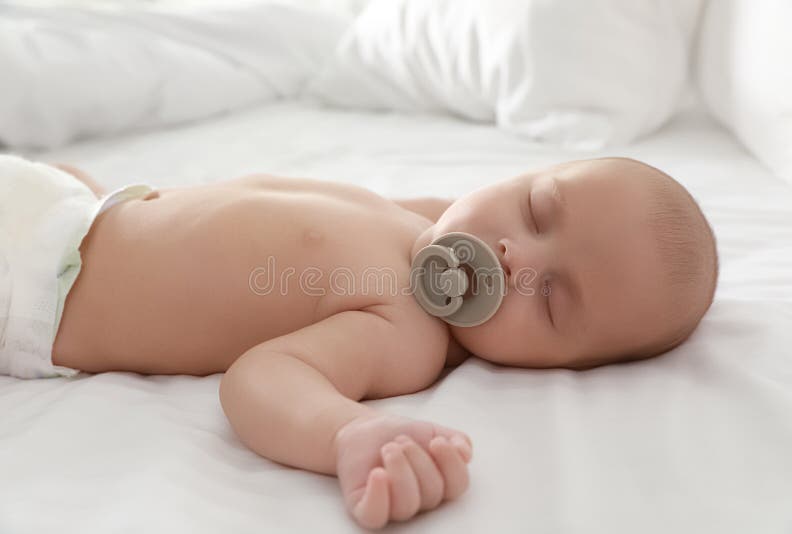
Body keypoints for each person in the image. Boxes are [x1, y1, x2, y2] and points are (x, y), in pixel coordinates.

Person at [0, 154, 717, 529]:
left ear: (561, 366)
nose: (514, 258)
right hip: (72, 210)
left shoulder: (407, 334)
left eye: (552, 298)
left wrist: (347, 433)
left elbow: (262, 377)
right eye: (535, 208)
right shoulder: (430, 223)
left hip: (34, 288)